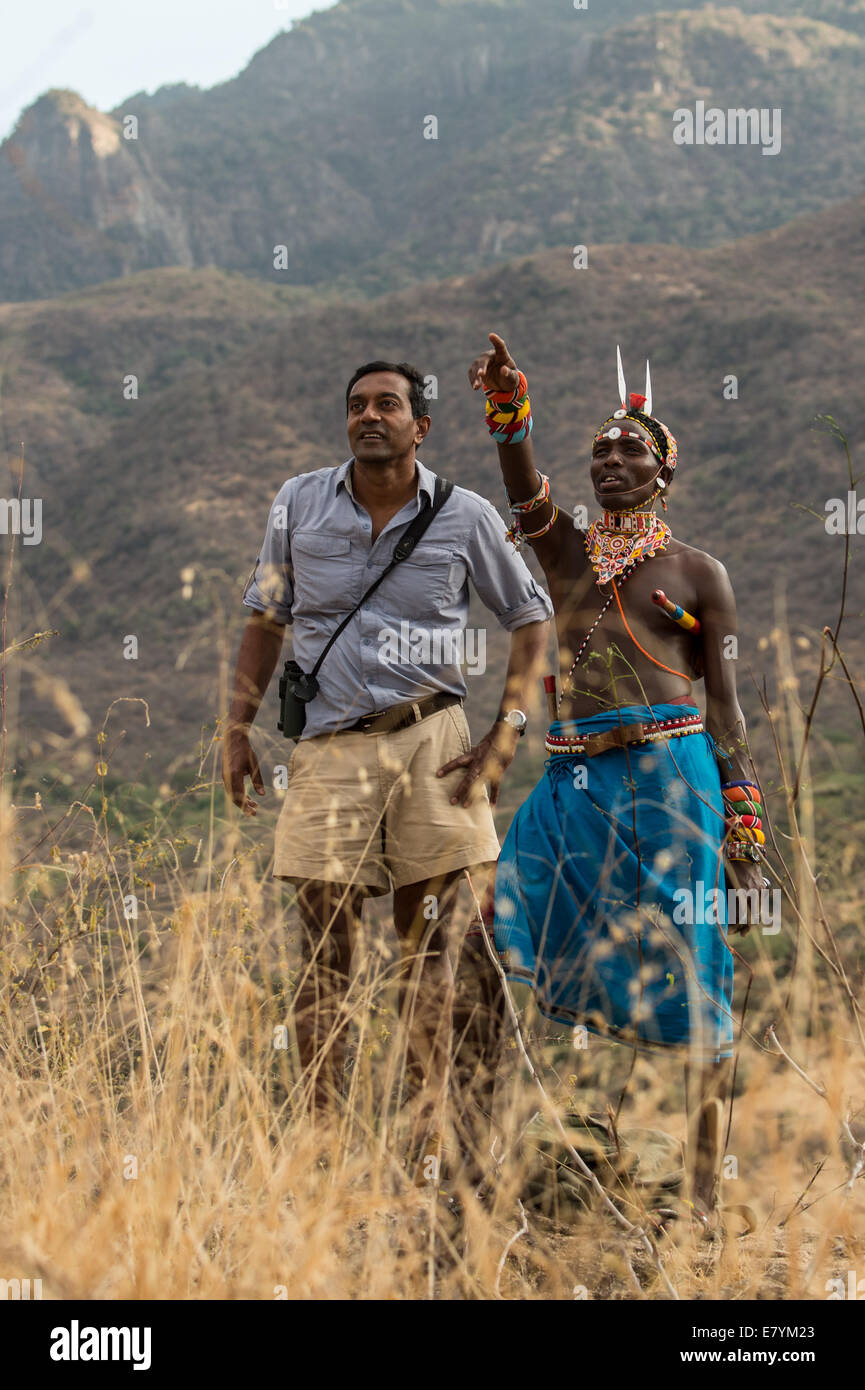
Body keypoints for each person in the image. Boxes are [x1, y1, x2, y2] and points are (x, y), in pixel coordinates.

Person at [223, 358, 551, 1176]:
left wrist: (506, 733)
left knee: (431, 951)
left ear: (420, 426)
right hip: (328, 746)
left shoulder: (465, 514)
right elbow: (265, 618)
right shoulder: (297, 502)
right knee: (323, 945)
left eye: (388, 405)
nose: (369, 416)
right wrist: (235, 728)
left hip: (433, 741)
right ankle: (322, 1140)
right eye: (357, 405)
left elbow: (531, 617)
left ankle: (422, 1139)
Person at [467, 332, 767, 1222]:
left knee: (695, 967)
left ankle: (703, 1196)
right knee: (488, 942)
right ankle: (482, 1149)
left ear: (663, 471)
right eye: (598, 449)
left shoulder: (697, 575)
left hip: (672, 784)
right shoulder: (562, 556)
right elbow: (522, 491)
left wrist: (743, 828)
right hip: (569, 790)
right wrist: (509, 410)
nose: (611, 458)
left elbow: (725, 706)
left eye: (630, 447)